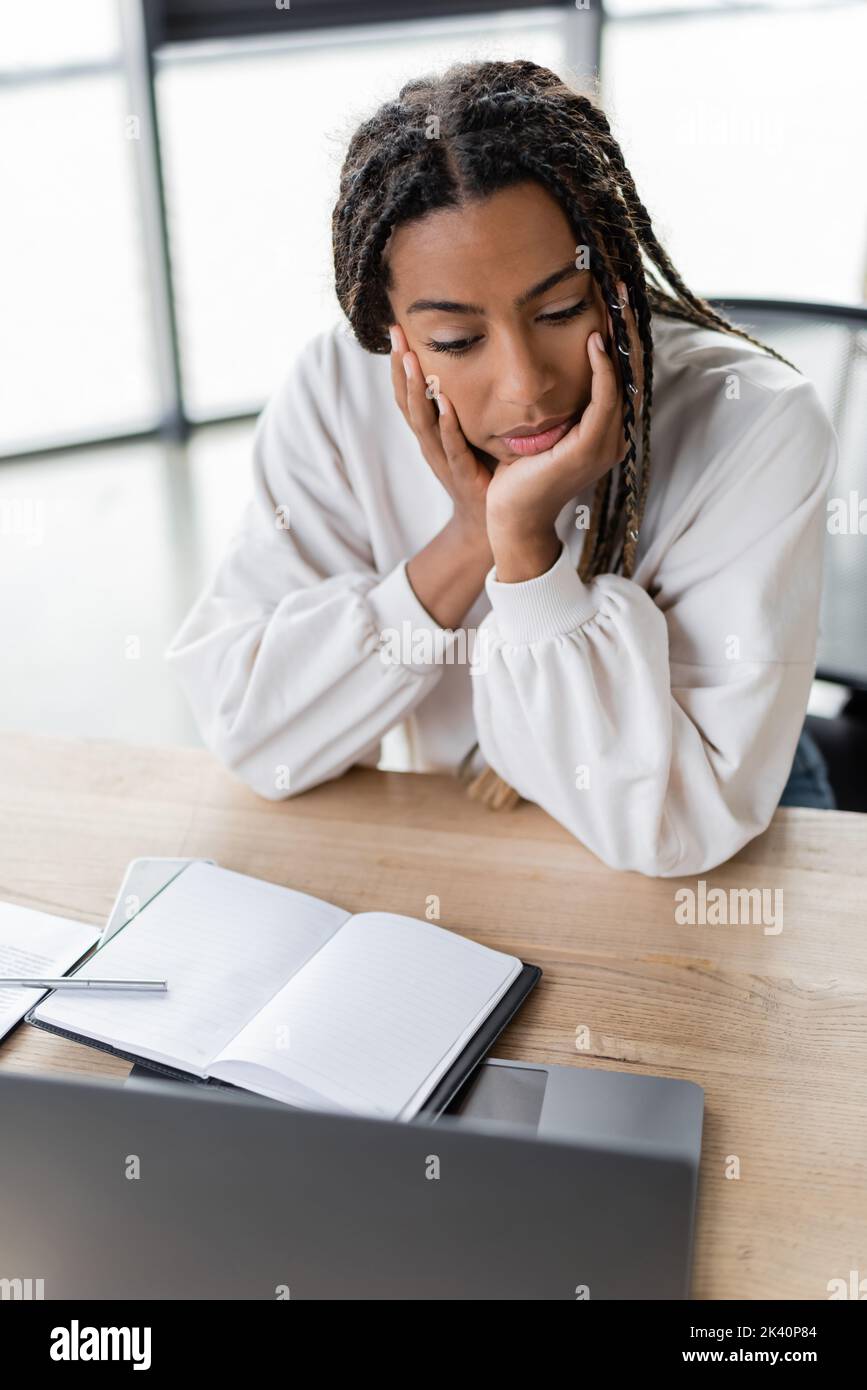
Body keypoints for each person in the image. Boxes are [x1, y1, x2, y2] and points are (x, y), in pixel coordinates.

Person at [164, 59, 838, 876]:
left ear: (616, 277)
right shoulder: (335, 390)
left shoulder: (755, 419)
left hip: (735, 825)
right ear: (390, 332)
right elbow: (254, 734)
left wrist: (525, 553)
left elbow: (676, 827)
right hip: (481, 844)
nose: (526, 385)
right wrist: (466, 539)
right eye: (455, 341)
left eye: (559, 311)